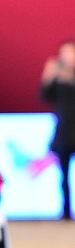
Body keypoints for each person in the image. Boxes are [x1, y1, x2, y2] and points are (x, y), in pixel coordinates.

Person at [40, 39, 75, 221]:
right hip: (63, 132)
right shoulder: (57, 77)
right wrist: (50, 76)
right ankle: (66, 211)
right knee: (63, 175)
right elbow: (44, 96)